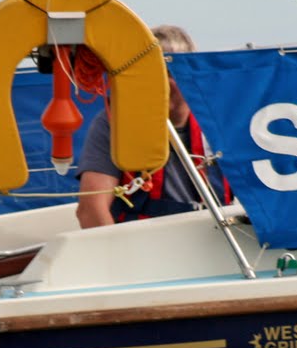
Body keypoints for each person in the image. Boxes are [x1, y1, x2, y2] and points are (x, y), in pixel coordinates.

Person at [75, 25, 231, 229]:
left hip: (217, 238)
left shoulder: (221, 122)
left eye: (169, 73)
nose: (161, 83)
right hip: (146, 245)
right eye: (151, 74)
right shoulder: (112, 124)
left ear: (191, 77)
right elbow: (91, 210)